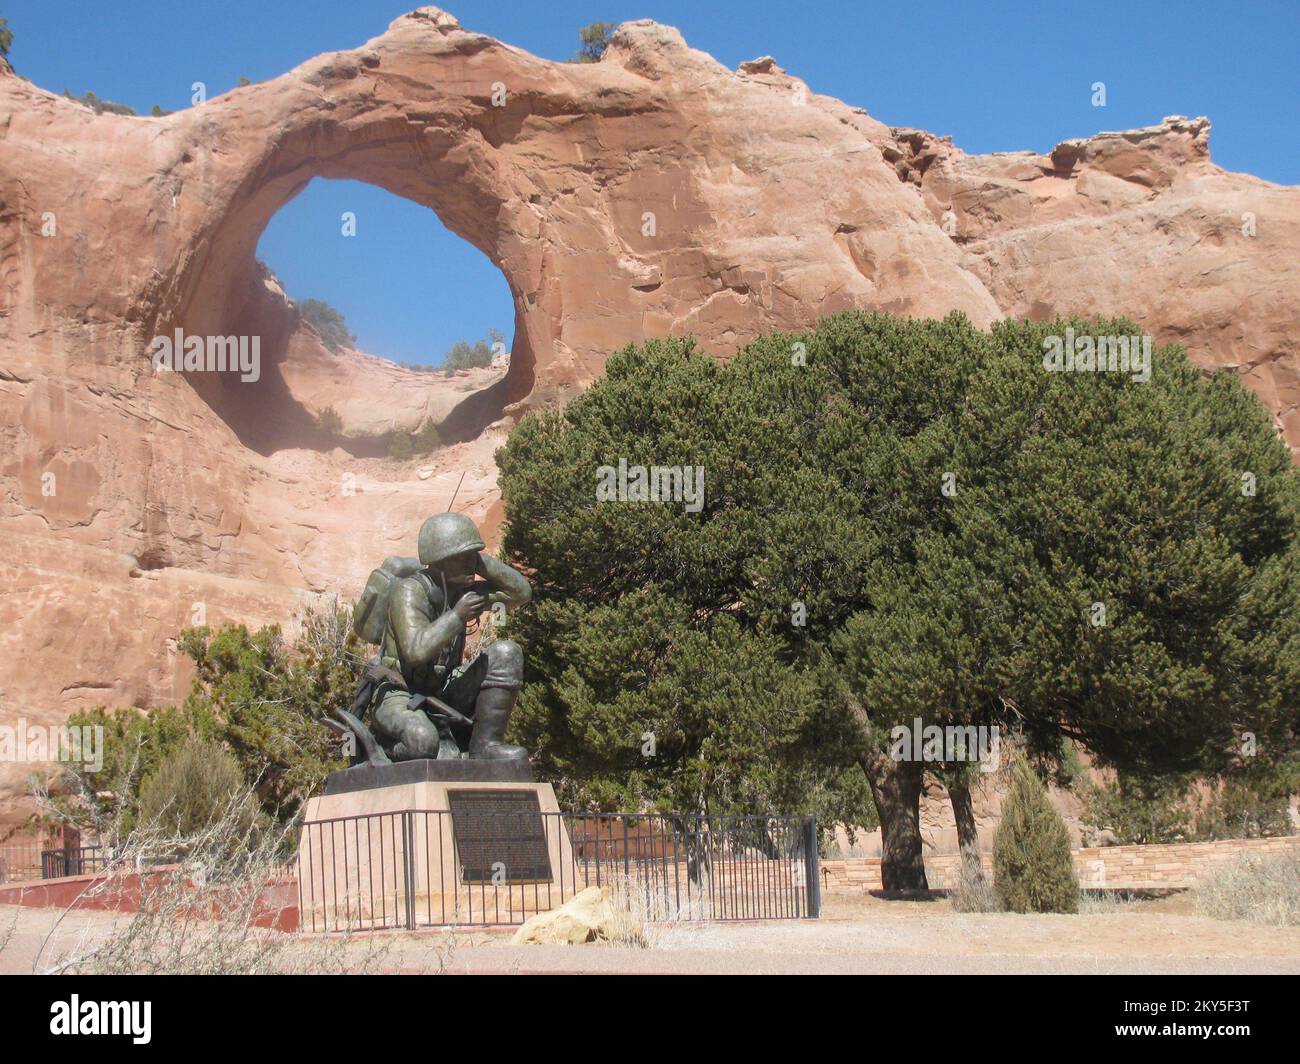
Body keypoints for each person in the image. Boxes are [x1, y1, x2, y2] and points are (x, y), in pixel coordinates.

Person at [370, 513, 532, 761]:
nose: (470, 564)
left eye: (473, 557)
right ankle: (382, 750)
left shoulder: (461, 592)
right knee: (422, 743)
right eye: (462, 557)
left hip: (443, 689)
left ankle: (485, 747)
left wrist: (480, 562)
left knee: (507, 653)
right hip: (399, 692)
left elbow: (520, 593)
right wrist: (458, 616)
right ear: (439, 561)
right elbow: (415, 651)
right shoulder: (410, 591)